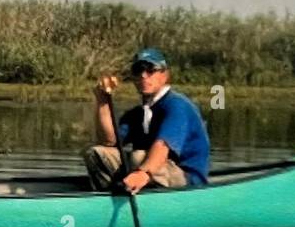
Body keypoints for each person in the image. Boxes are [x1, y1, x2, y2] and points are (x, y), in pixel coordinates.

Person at [84, 47, 210, 193]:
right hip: (151, 171)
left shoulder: (177, 105)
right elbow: (109, 141)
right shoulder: (138, 113)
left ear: (164, 75)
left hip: (187, 180)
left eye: (150, 69)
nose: (144, 75)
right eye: (138, 70)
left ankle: (139, 192)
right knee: (96, 154)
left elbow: (161, 147)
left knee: (138, 157)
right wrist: (103, 102)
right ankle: (110, 197)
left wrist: (143, 173)